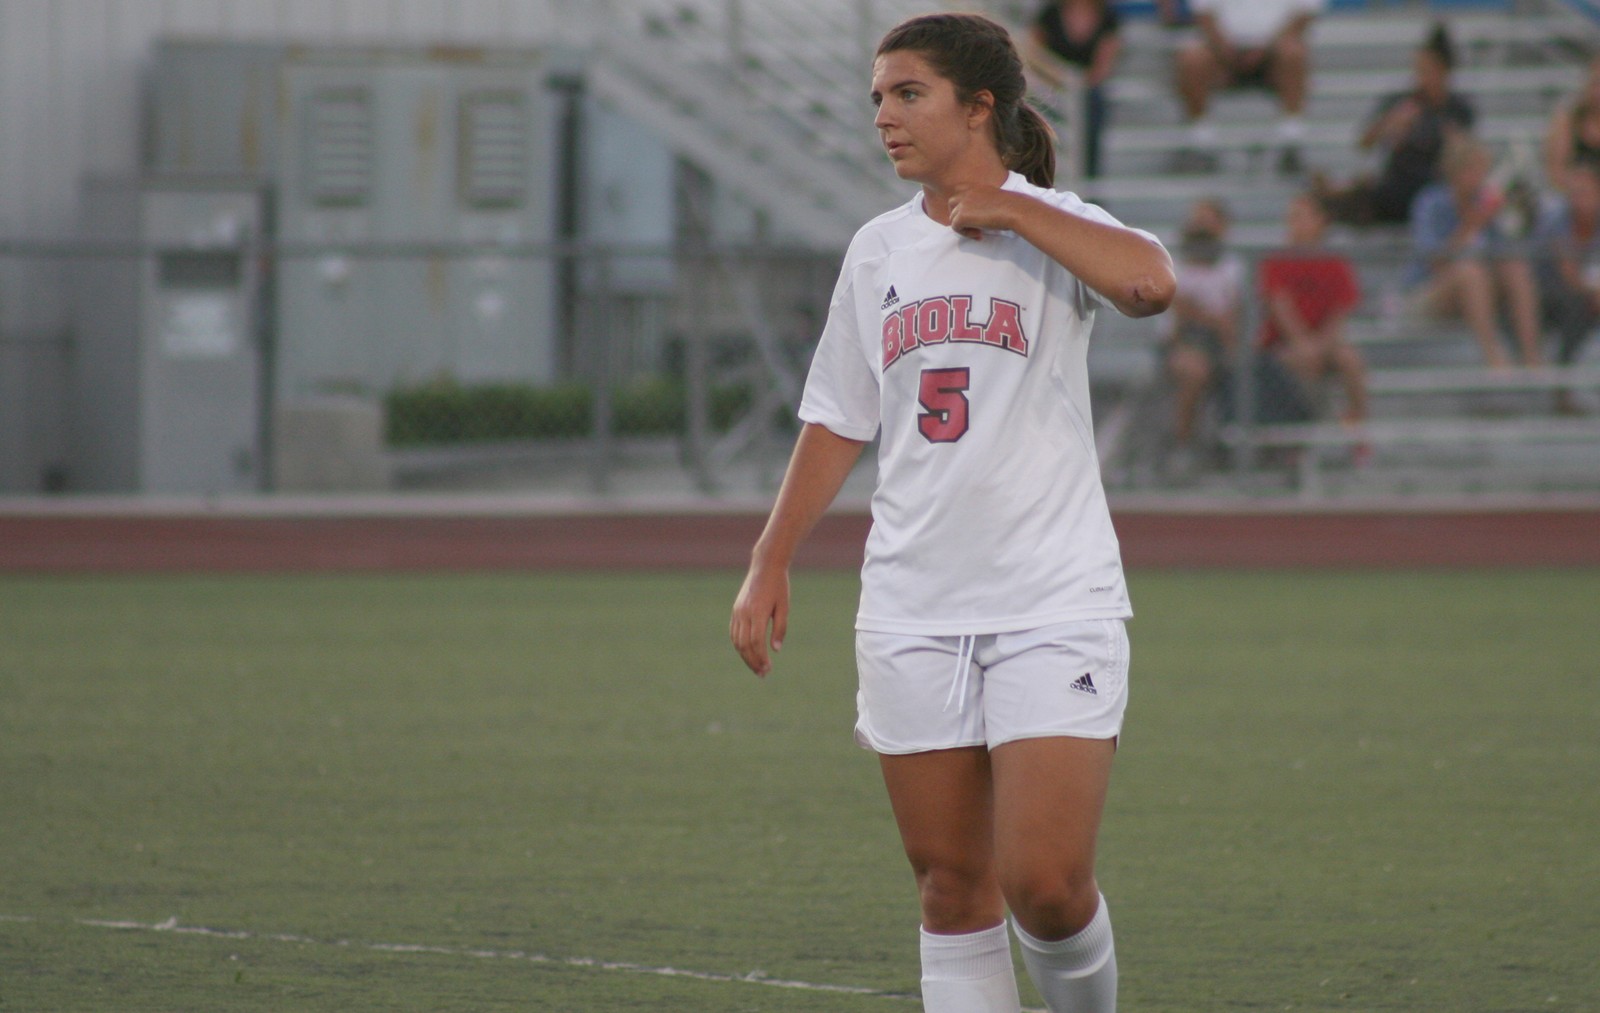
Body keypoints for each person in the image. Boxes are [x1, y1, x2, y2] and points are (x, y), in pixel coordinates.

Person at [729, 13, 1174, 1013]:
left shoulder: (1056, 222)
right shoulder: (877, 250)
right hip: (913, 603)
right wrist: (769, 560)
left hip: (1051, 596)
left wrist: (1009, 211)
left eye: (907, 93)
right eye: (877, 98)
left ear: (980, 105)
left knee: (1047, 886)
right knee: (950, 887)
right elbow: (839, 416)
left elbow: (1150, 282)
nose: (883, 116)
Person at [1316, 23, 1475, 227]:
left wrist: (1451, 140)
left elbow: (1465, 156)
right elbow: (1363, 143)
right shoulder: (1401, 101)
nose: (1420, 77)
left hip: (1435, 184)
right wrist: (1388, 124)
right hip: (1396, 183)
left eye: (1427, 70)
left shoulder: (1458, 110)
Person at [1407, 133, 1544, 370]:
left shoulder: (1490, 203)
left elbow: (1510, 245)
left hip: (1482, 289)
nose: (1480, 179)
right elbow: (1433, 262)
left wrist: (1501, 218)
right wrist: (1473, 223)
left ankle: (1532, 357)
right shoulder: (1432, 203)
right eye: (1473, 171)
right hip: (1434, 289)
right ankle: (1494, 358)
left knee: (1515, 266)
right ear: (1455, 173)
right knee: (1470, 271)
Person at [1257, 193, 1369, 431]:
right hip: (1283, 344)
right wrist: (1304, 343)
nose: (1294, 224)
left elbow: (1340, 313)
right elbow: (1279, 307)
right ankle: (1307, 430)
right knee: (1299, 360)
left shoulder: (1334, 262)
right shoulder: (1277, 260)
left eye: (1301, 217)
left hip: (1323, 341)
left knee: (1350, 360)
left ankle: (1357, 427)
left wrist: (1319, 345)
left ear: (1320, 221)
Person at [1170, 0, 1322, 174]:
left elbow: (1305, 13)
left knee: (1293, 52)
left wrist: (1266, 49)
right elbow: (1204, 13)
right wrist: (1226, 49)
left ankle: (1291, 136)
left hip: (1275, 53)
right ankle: (1200, 137)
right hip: (1223, 52)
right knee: (1192, 58)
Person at [1163, 197, 1244, 475]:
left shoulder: (1232, 267)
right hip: (1182, 341)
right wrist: (1205, 316)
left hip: (1220, 341)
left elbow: (1233, 317)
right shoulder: (1171, 263)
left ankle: (1236, 445)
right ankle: (1182, 446)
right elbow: (1176, 313)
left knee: (1244, 367)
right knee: (1194, 370)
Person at [1025, 0, 1122, 179]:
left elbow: (1104, 62)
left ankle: (1089, 176)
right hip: (1054, 87)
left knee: (1092, 103)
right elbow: (1036, 55)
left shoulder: (1107, 15)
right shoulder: (1050, 14)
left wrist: (1080, 84)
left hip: (1088, 89)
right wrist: (1061, 82)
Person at [1533, 161, 1600, 407]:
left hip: (1587, 295)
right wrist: (1593, 291)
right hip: (1549, 296)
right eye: (1574, 193)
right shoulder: (1557, 220)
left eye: (1586, 193)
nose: (1579, 200)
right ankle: (1562, 383)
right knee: (1576, 305)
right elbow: (1568, 273)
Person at [1542, 53, 1600, 195]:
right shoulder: (1568, 119)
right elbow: (1555, 171)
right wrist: (1581, 191)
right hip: (1574, 197)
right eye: (1595, 83)